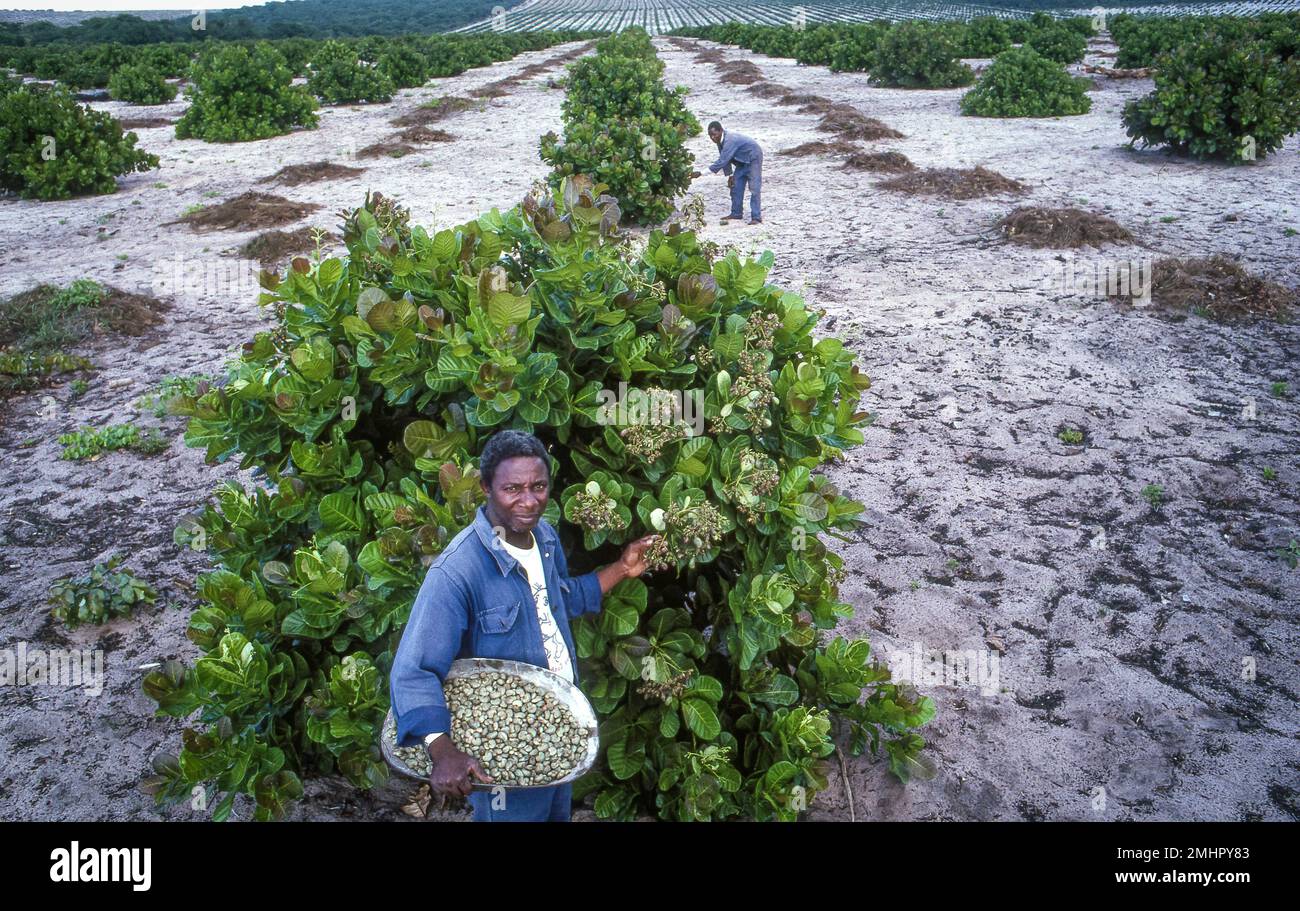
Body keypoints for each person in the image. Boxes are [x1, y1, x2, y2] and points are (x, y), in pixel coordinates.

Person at [389, 429, 656, 821]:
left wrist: (621, 568)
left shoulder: (543, 537)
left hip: (554, 723)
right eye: (512, 488)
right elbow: (414, 671)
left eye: (539, 486)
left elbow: (557, 601)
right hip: (503, 746)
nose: (529, 501)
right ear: (485, 487)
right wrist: (442, 750)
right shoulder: (458, 571)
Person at [704, 120, 763, 225]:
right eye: (710, 136)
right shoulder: (720, 141)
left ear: (721, 131)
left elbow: (722, 161)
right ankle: (736, 213)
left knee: (754, 188)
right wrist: (730, 175)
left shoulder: (730, 139)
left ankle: (756, 217)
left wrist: (701, 173)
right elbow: (725, 159)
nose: (713, 138)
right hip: (741, 162)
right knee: (735, 186)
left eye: (714, 134)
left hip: (753, 158)